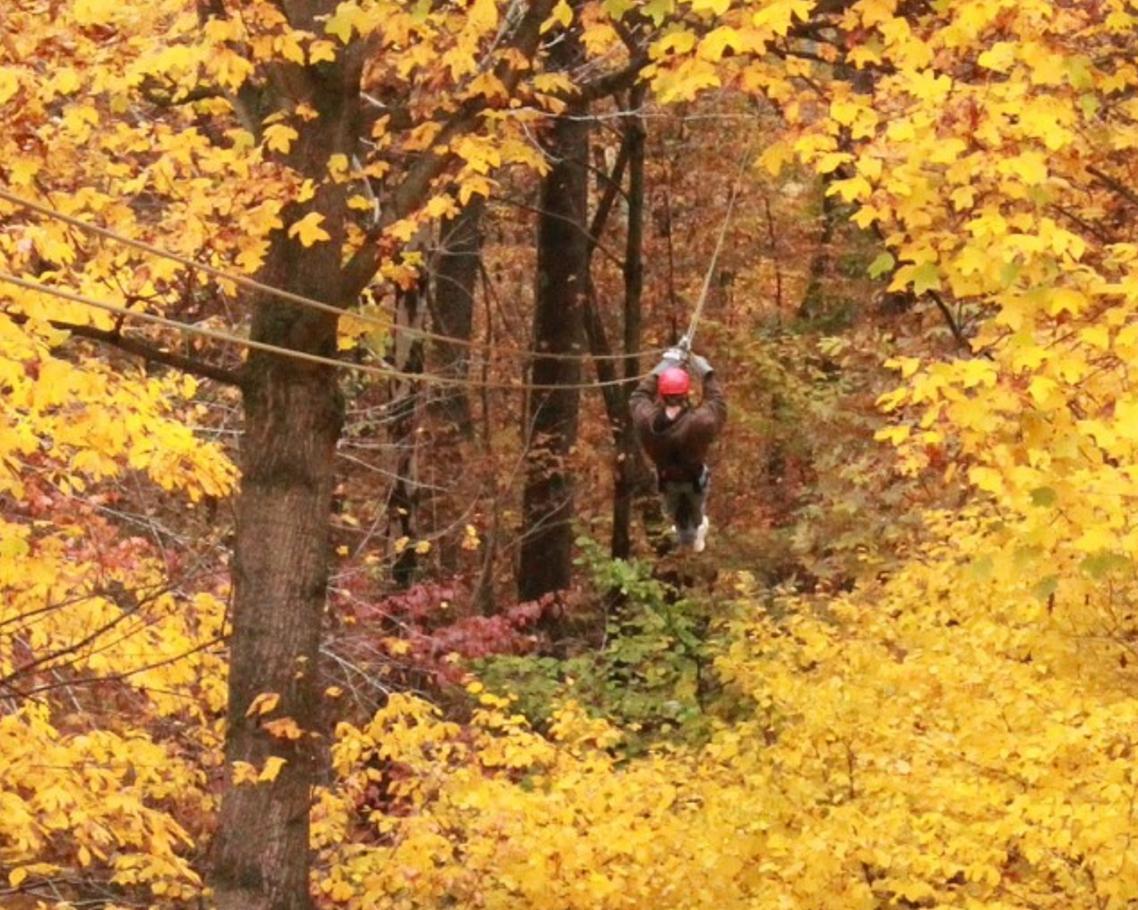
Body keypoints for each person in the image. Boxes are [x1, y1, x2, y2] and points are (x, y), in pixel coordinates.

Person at [629, 343, 726, 552]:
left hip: (667, 479)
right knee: (696, 511)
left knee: (673, 512)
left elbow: (638, 397)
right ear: (686, 395)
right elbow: (717, 402)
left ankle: (686, 536)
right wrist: (705, 371)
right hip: (694, 480)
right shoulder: (700, 423)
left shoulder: (647, 422)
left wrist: (667, 364)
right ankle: (695, 532)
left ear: (662, 396)